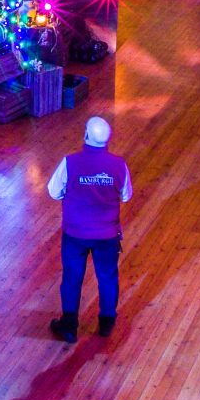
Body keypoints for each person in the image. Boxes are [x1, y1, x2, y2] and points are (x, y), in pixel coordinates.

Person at [47, 115, 132, 340]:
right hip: (107, 235)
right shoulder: (119, 164)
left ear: (85, 134)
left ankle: (69, 326)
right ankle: (106, 323)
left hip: (75, 234)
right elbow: (126, 195)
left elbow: (53, 191)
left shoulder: (70, 162)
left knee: (72, 277)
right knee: (107, 276)